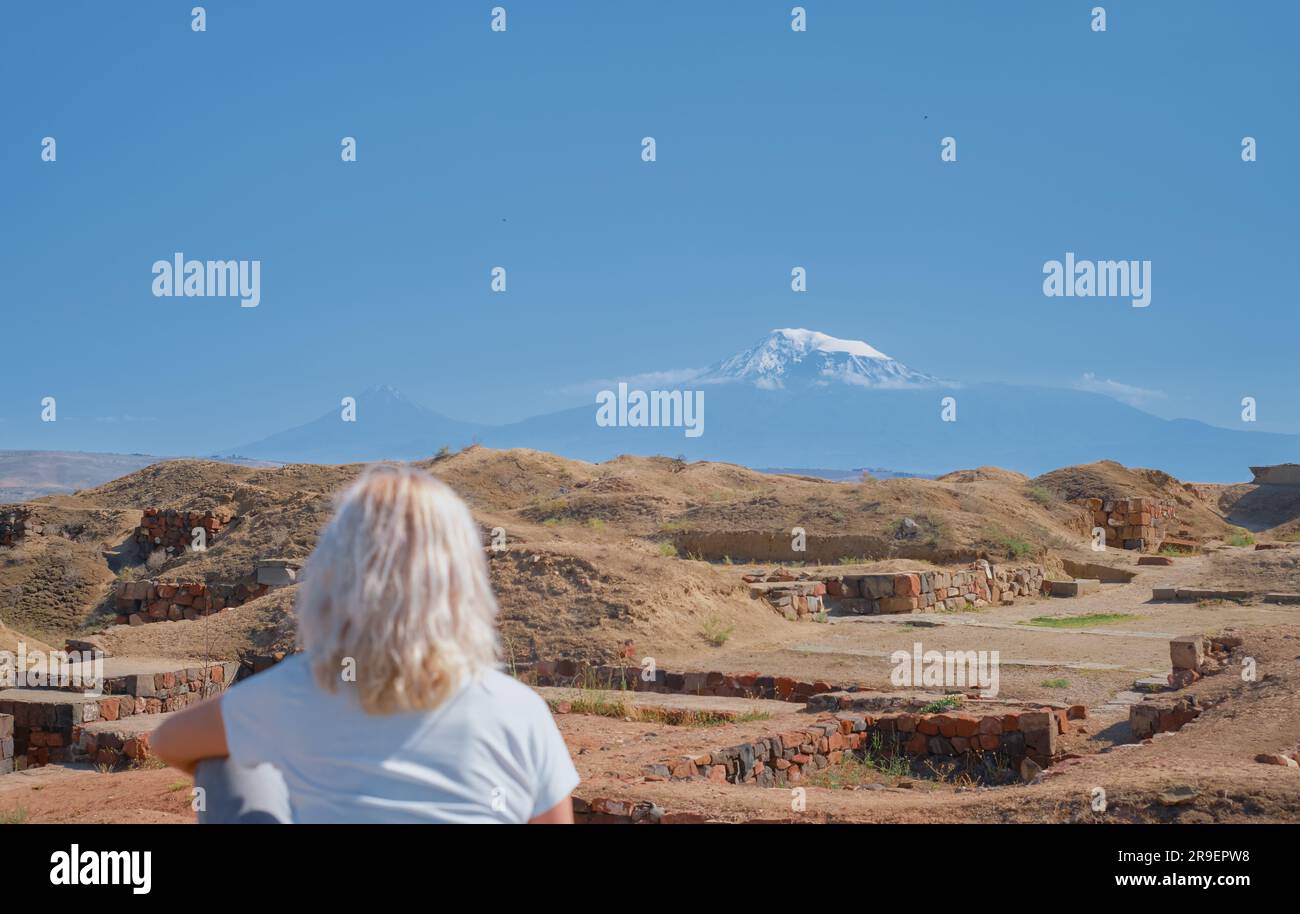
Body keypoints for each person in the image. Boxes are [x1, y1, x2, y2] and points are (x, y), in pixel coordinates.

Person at [152, 463, 579, 823]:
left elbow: (168, 740)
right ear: (464, 582)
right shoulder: (519, 712)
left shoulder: (295, 691)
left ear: (332, 574)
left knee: (227, 772)